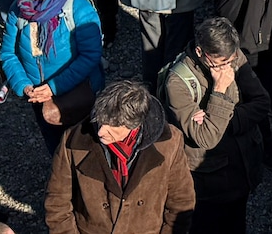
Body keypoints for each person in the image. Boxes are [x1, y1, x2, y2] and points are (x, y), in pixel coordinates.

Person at [159, 17, 272, 234]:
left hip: (243, 169)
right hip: (209, 182)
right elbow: (206, 138)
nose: (228, 68)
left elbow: (262, 102)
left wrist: (218, 121)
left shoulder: (232, 56)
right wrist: (220, 91)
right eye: (221, 64)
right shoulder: (178, 83)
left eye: (231, 61)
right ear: (201, 53)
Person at [44, 80, 198, 234]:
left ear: (134, 125)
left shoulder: (169, 142)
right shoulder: (72, 141)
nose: (101, 131)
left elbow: (180, 201)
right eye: (100, 121)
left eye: (112, 125)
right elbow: (57, 203)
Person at [1, 0, 106, 152]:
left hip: (76, 92)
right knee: (56, 148)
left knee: (86, 148)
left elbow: (90, 55)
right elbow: (8, 53)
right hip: (39, 96)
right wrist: (23, 85)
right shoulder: (19, 9)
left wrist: (53, 87)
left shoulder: (78, 8)